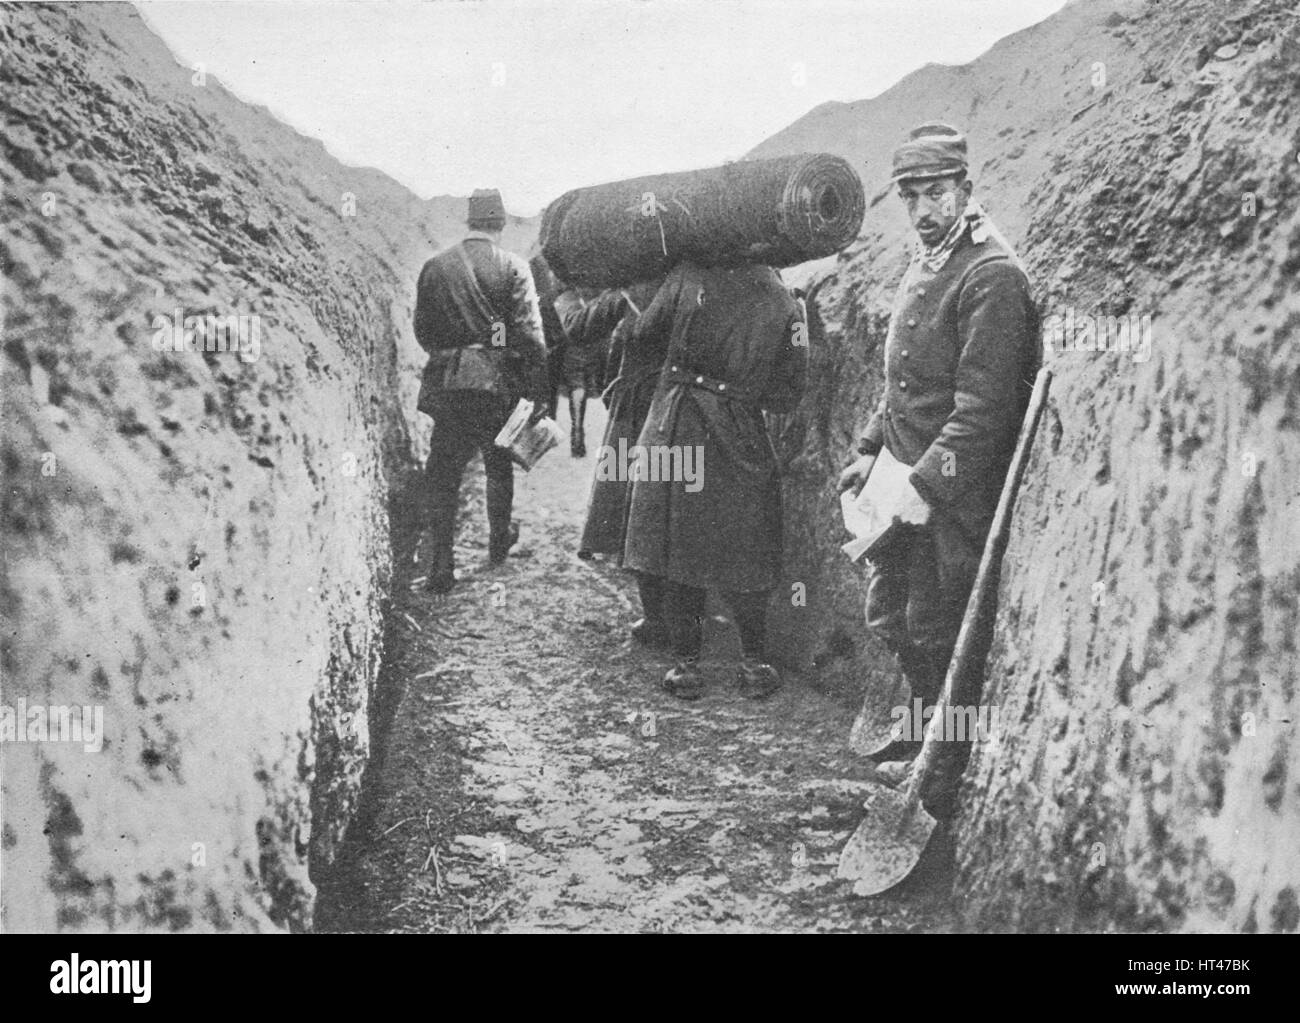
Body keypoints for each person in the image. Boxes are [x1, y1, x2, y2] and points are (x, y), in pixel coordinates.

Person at [837, 123, 1039, 782]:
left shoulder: (990, 276)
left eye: (936, 193)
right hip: (902, 479)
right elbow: (903, 380)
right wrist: (870, 449)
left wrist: (924, 486)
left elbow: (983, 412)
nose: (923, 210)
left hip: (951, 494)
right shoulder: (927, 261)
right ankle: (922, 728)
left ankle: (943, 767)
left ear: (965, 188)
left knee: (935, 627)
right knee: (890, 615)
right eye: (910, 196)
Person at [622, 259, 808, 701]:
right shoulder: (787, 300)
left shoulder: (687, 275)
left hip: (679, 422)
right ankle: (754, 662)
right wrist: (744, 388)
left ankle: (687, 664)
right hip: (742, 431)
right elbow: (788, 394)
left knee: (680, 541)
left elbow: (642, 337)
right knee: (747, 541)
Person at [412, 188, 548, 594]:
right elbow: (530, 335)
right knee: (498, 461)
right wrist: (534, 385)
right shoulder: (513, 267)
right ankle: (498, 543)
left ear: (469, 221)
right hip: (496, 382)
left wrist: (453, 352)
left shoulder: (435, 266)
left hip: (450, 382)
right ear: (500, 224)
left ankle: (441, 565)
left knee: (444, 470)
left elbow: (423, 330)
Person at [576, 280, 667, 650]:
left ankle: (656, 617)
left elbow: (589, 335)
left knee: (637, 509)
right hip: (688, 408)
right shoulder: (703, 281)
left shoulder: (633, 291)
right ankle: (687, 614)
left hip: (636, 407)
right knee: (676, 504)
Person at [554, 287, 627, 457]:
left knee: (577, 385)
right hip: (591, 331)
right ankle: (580, 428)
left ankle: (577, 427)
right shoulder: (601, 283)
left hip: (574, 330)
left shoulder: (568, 291)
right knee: (584, 383)